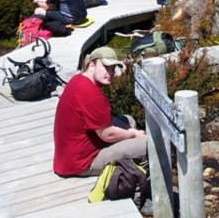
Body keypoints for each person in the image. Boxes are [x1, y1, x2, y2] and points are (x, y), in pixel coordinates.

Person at [53, 46, 148, 176]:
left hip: (66, 158)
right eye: (106, 67)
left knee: (128, 120)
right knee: (148, 144)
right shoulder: (91, 95)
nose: (111, 73)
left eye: (113, 68)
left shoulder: (77, 80)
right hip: (84, 163)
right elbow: (108, 135)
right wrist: (133, 134)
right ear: (92, 64)